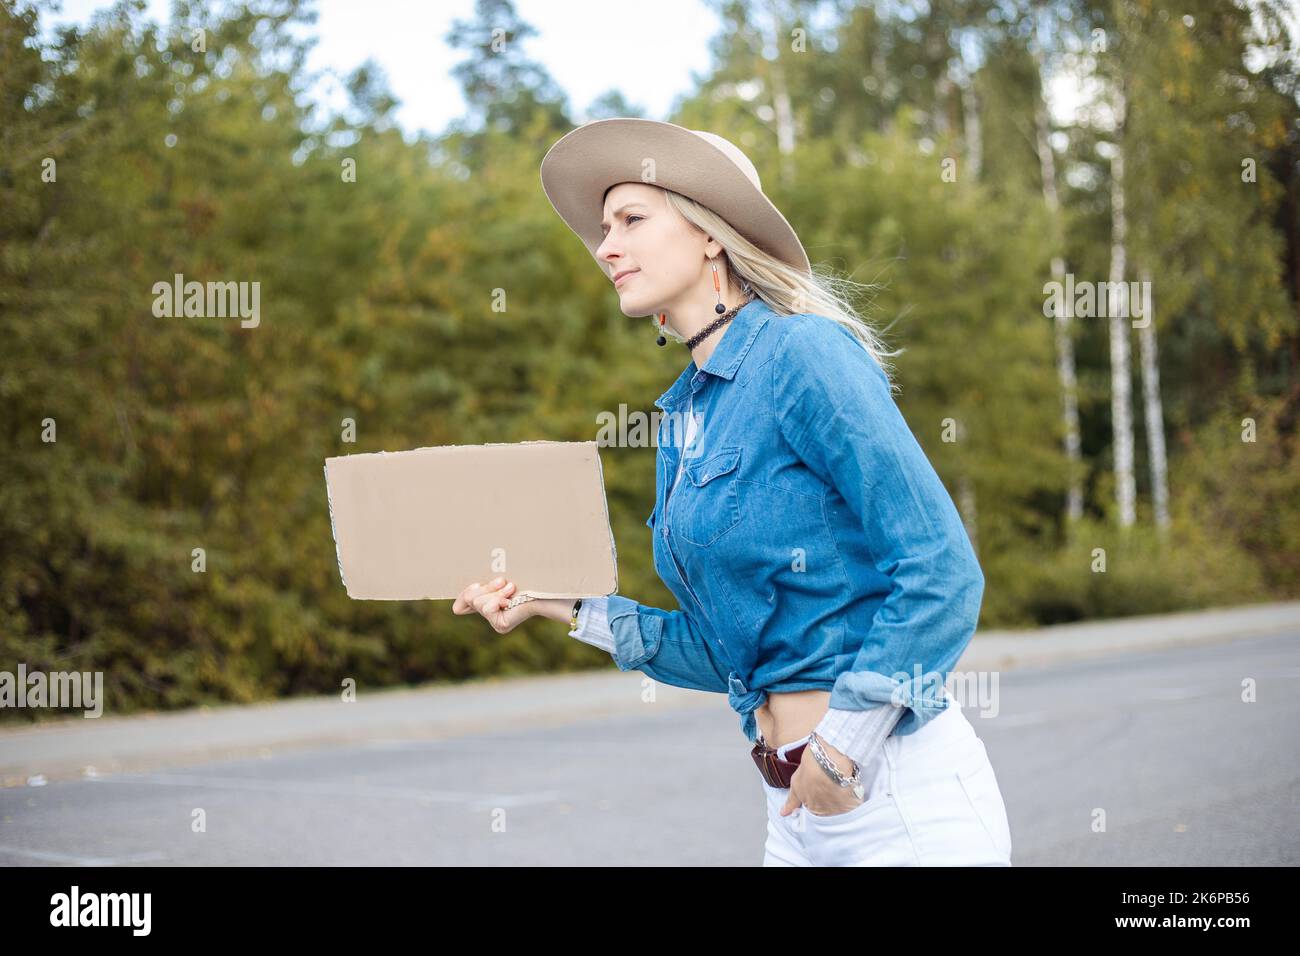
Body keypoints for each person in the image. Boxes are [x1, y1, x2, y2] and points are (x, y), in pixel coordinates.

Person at [453, 118, 1012, 866]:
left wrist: (842, 749)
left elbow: (942, 570)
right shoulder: (685, 413)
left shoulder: (803, 353)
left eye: (631, 220)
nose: (604, 246)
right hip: (791, 810)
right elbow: (725, 651)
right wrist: (557, 604)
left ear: (710, 233)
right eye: (603, 227)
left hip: (894, 795)